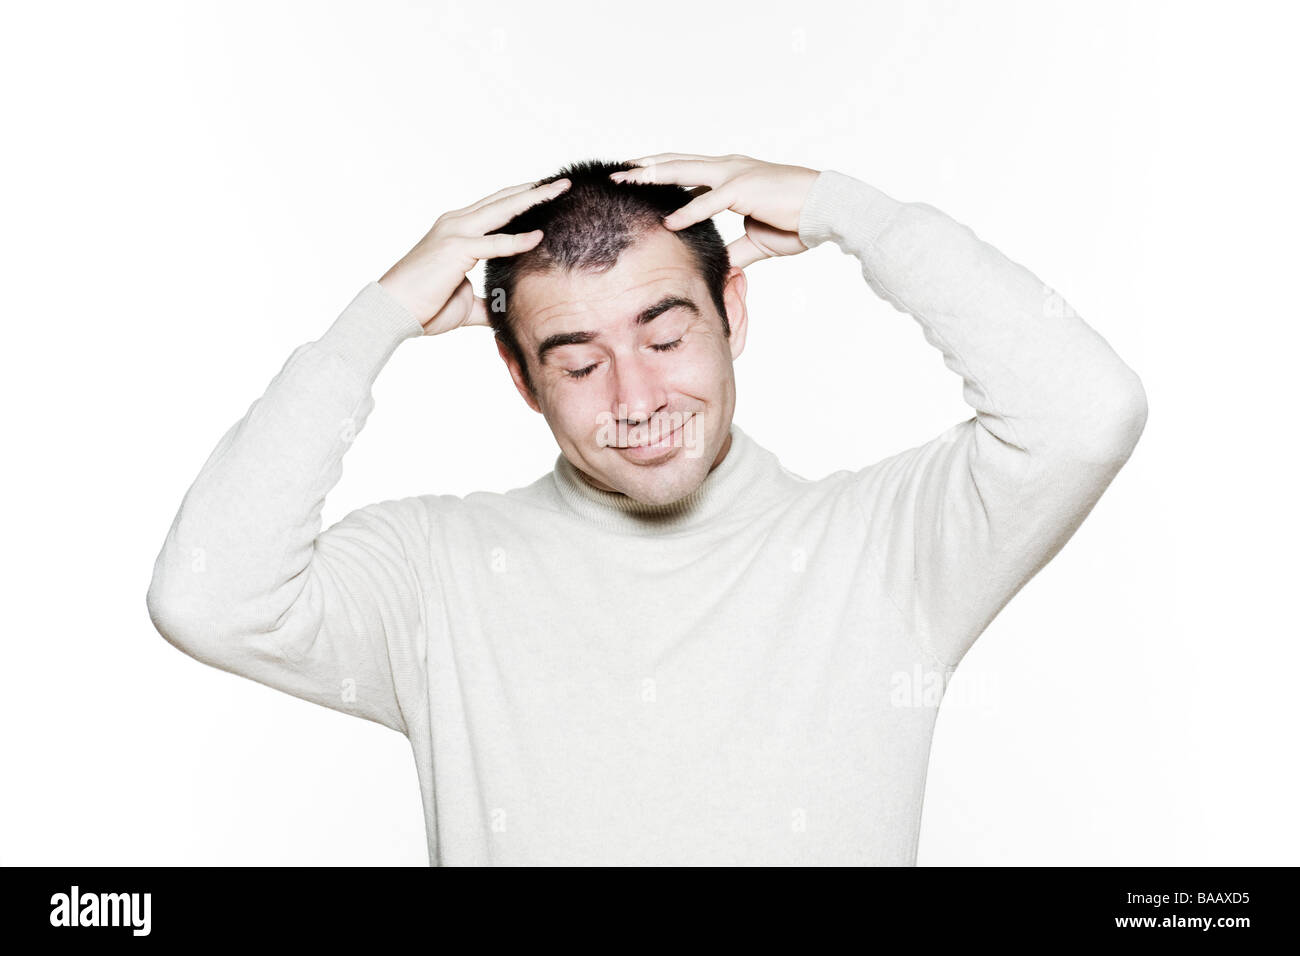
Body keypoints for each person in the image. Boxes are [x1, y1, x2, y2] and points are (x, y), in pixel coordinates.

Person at [146, 152, 1148, 865]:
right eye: (578, 362)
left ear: (734, 315)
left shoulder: (883, 550)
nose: (634, 400)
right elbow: (207, 595)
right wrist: (380, 316)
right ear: (520, 377)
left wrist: (854, 212)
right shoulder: (433, 574)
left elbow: (1085, 413)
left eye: (665, 338)